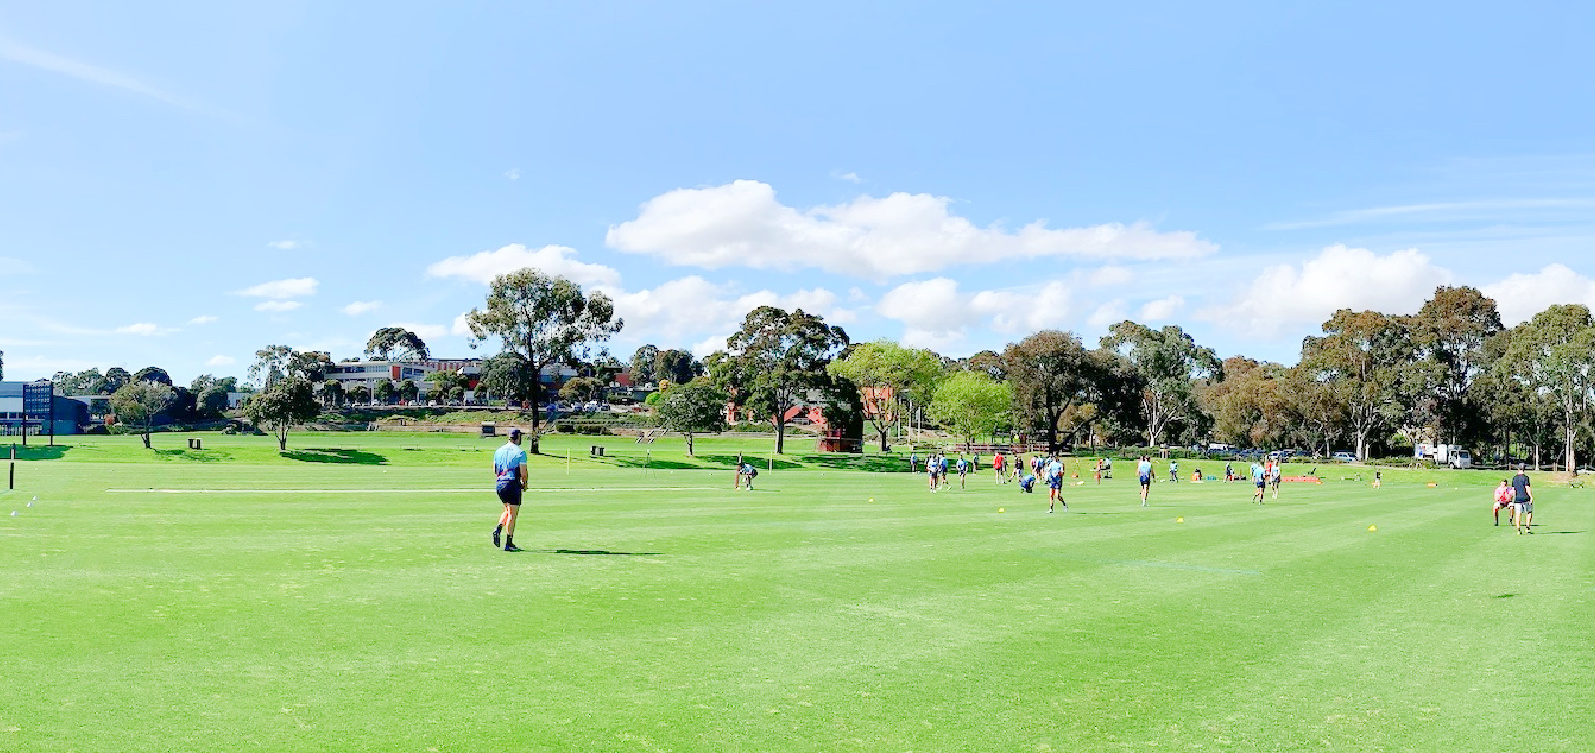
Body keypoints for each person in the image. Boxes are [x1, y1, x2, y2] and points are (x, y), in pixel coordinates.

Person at [492, 428, 529, 552]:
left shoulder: (498, 451)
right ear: (518, 438)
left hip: (500, 483)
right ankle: (509, 542)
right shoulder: (520, 452)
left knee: (507, 509)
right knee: (513, 514)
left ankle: (499, 527)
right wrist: (525, 484)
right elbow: (523, 472)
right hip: (512, 483)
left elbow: (495, 470)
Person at [1511, 466, 1533, 534]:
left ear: (1518, 469)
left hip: (1517, 498)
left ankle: (1518, 529)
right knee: (1529, 512)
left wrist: (1513, 498)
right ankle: (1527, 527)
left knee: (1518, 513)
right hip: (1525, 497)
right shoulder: (1526, 478)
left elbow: (1514, 489)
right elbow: (1527, 487)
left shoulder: (1514, 478)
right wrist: (1531, 496)